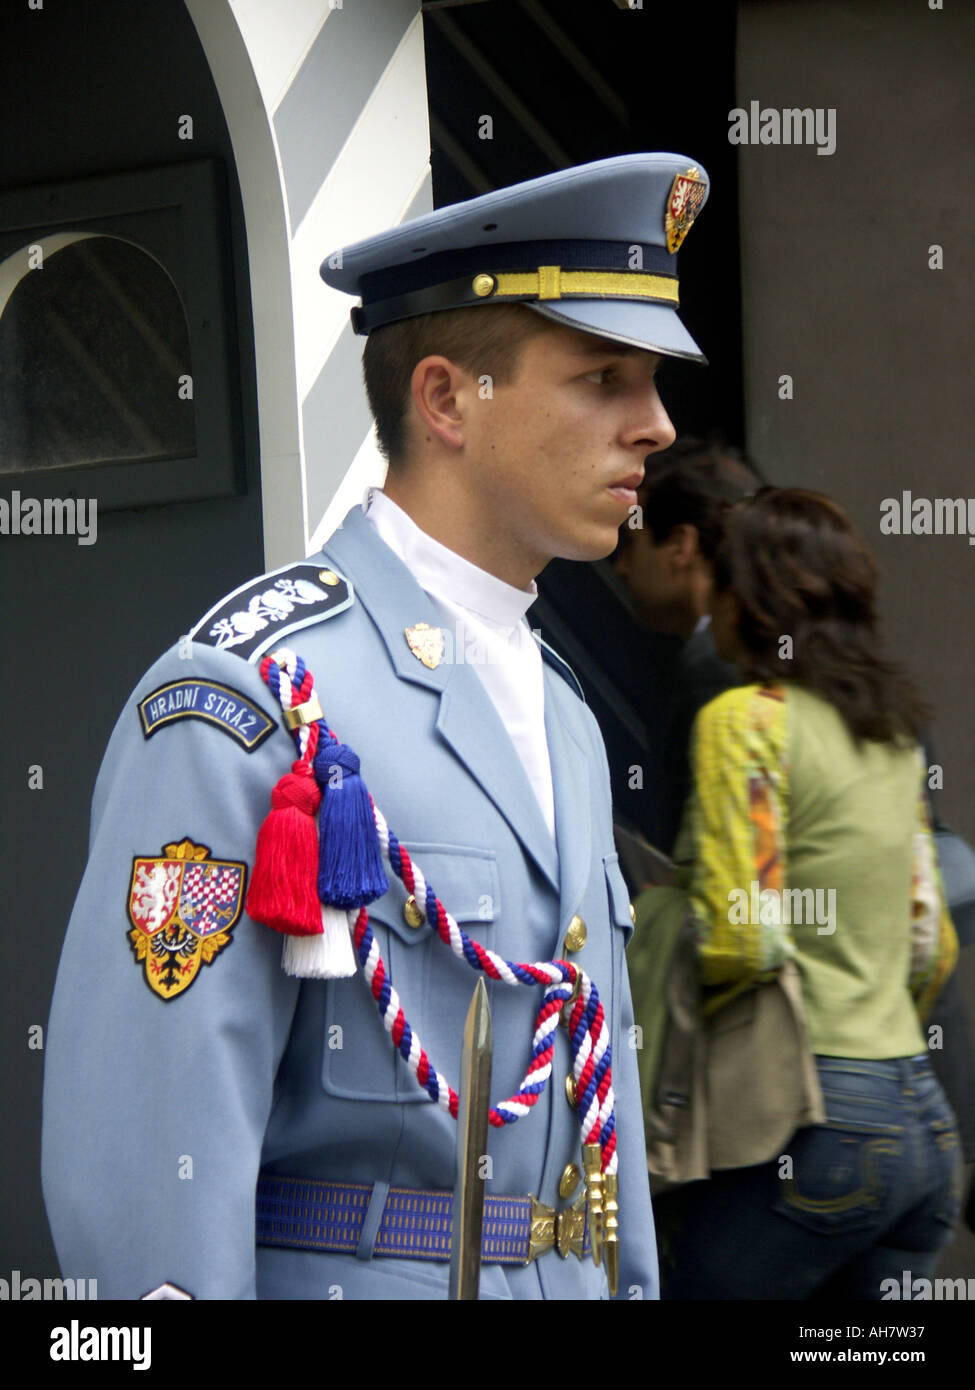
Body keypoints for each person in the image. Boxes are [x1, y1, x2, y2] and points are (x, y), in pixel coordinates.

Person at [41, 152, 711, 1300]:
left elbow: (596, 1098)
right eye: (604, 377)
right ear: (448, 399)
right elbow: (154, 1149)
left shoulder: (565, 713)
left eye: (653, 383)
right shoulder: (246, 698)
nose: (655, 426)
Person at [658, 487, 962, 1299]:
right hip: (924, 1130)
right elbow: (930, 944)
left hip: (814, 1125)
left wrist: (660, 922)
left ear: (745, 597)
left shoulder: (744, 721)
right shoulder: (891, 735)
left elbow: (742, 937)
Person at [613, 439, 761, 854]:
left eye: (632, 542)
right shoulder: (813, 644)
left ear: (681, 545)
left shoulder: (715, 665)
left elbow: (709, 859)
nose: (621, 566)